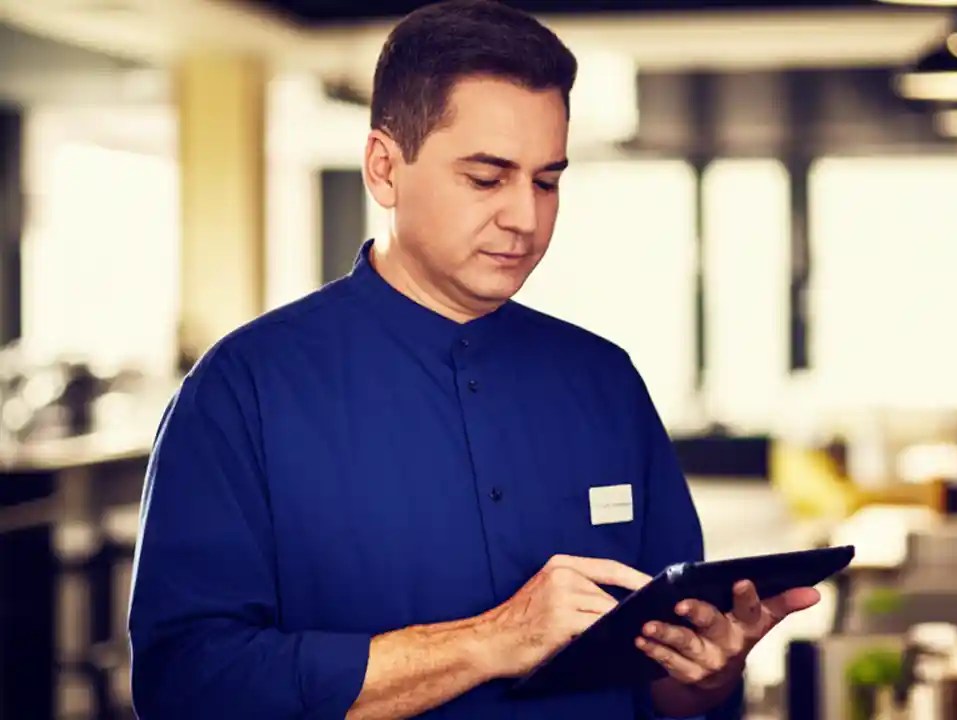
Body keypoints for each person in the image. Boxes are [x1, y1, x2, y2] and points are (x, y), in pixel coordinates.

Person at [127, 1, 819, 718]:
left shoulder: (604, 380)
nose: (526, 217)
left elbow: (663, 689)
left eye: (547, 181)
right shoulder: (243, 391)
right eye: (488, 178)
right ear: (383, 169)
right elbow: (188, 687)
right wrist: (488, 641)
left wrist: (704, 673)